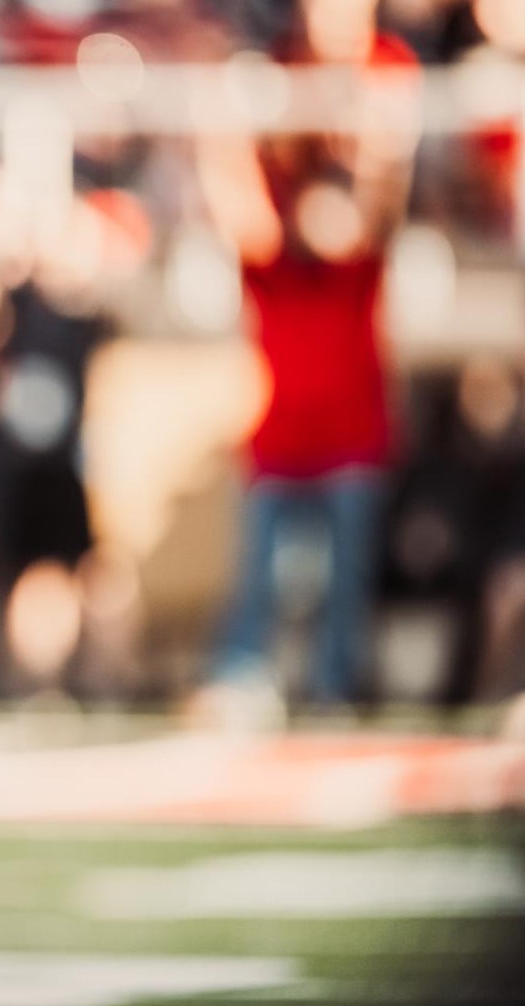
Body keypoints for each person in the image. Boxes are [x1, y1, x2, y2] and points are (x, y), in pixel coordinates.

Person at [193, 0, 416, 706]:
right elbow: (235, 201)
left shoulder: (362, 269)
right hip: (280, 441)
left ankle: (335, 686)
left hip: (354, 440)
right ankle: (244, 677)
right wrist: (221, 122)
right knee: (257, 579)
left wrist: (370, 138)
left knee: (345, 582)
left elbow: (385, 189)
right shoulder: (272, 266)